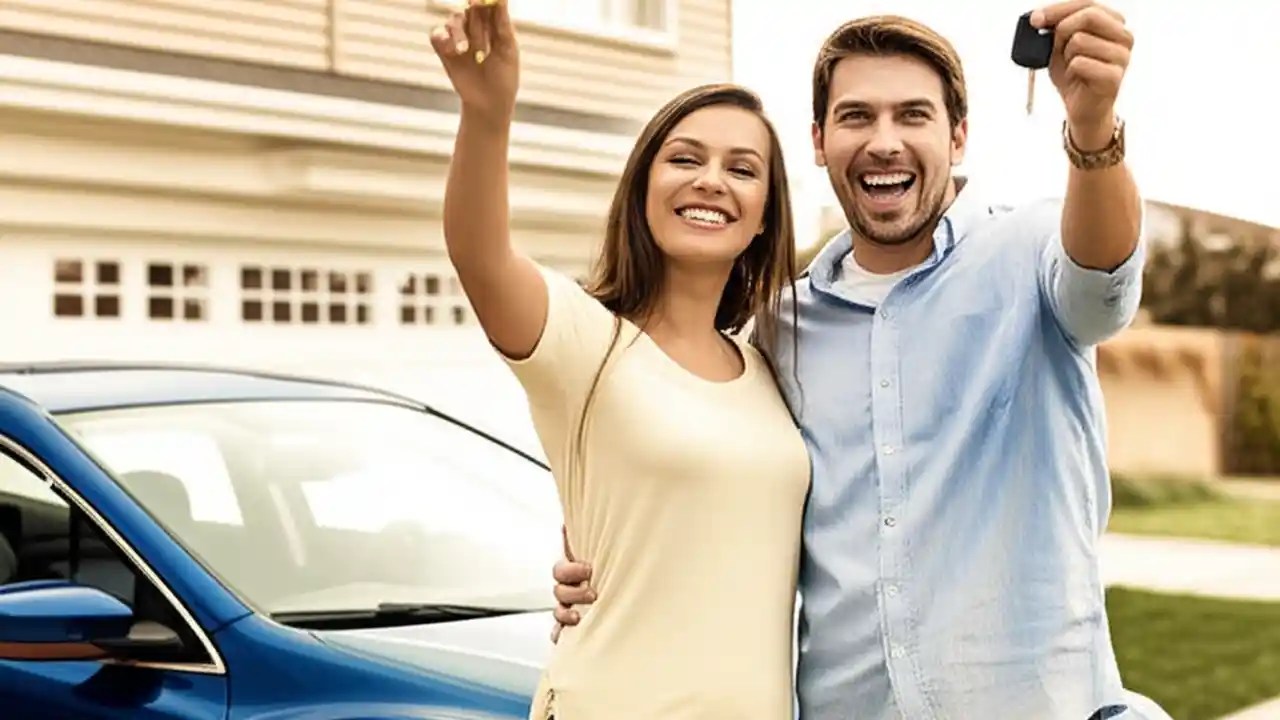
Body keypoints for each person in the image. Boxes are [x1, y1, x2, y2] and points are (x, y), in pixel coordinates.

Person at [551, 3, 1175, 719]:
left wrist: (1093, 130)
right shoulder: (777, 329)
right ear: (819, 140)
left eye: (913, 116)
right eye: (856, 117)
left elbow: (1102, 290)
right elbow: (715, 483)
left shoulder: (1033, 255)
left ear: (958, 136)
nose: (884, 142)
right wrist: (600, 558)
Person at [429, 1, 811, 718]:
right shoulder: (586, 342)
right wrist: (487, 112)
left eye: (742, 168)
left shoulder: (770, 366)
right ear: (642, 189)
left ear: (765, 214)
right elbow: (479, 256)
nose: (711, 180)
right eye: (685, 159)